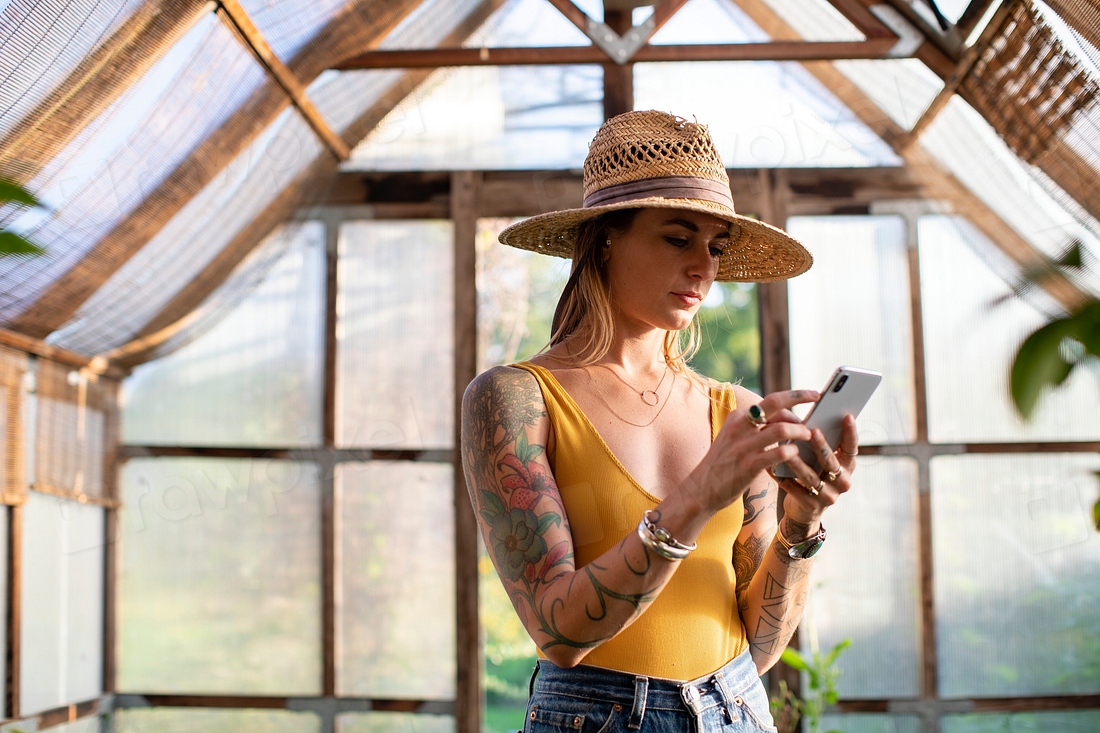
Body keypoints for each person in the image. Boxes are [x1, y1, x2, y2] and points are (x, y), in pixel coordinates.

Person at [460, 110, 859, 733]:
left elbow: (759, 645)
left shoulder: (734, 411)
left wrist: (802, 521)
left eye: (717, 246)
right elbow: (560, 633)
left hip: (737, 708)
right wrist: (700, 493)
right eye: (678, 238)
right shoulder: (516, 400)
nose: (705, 265)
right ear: (605, 239)